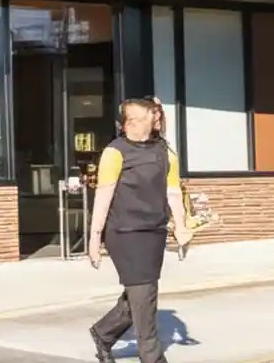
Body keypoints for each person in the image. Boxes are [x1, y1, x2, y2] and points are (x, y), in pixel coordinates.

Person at [87, 97, 192, 363]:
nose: (157, 119)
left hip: (153, 232)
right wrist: (94, 237)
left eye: (156, 115)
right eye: (150, 116)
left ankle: (104, 333)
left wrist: (181, 227)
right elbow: (103, 195)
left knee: (141, 293)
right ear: (131, 122)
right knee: (145, 298)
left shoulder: (165, 151)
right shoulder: (115, 152)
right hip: (124, 233)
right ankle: (153, 358)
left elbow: (173, 193)